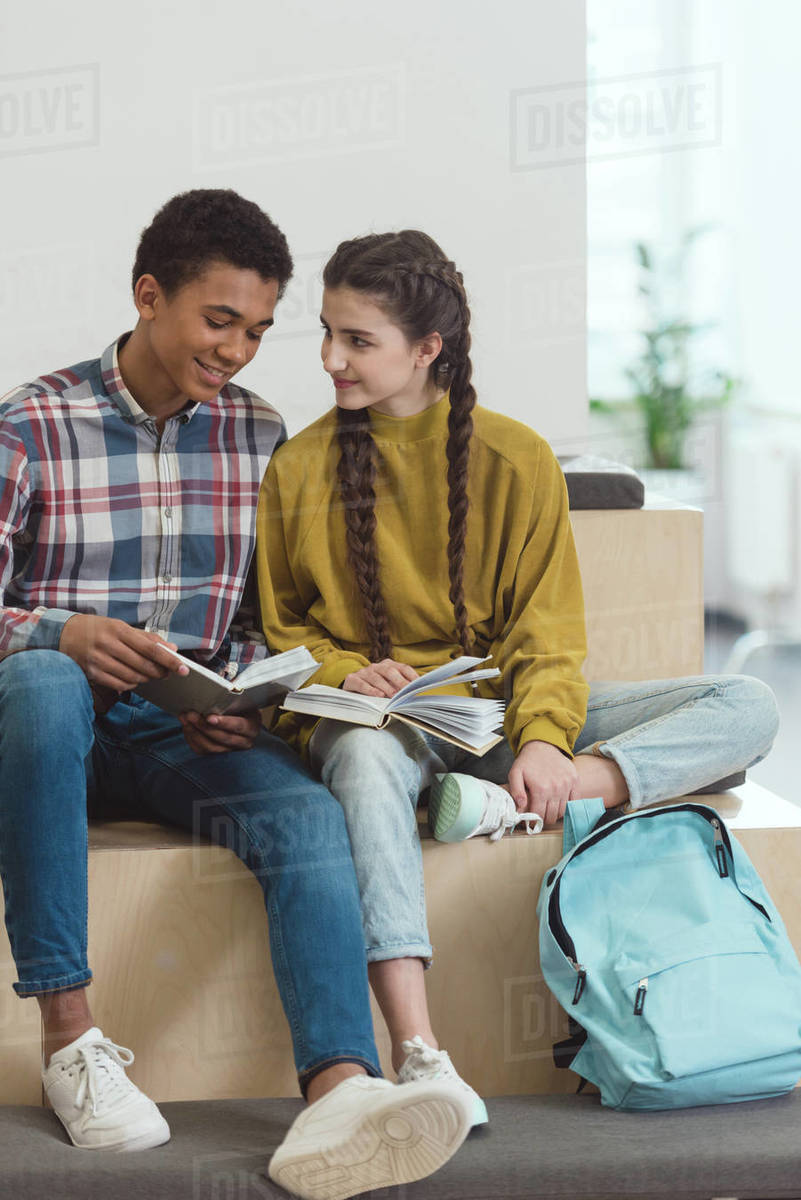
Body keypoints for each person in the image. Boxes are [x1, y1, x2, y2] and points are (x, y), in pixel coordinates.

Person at [0, 194, 474, 1199]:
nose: (240, 350)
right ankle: (71, 1041)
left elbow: (270, 616)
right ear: (149, 297)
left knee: (305, 811)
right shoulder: (31, 425)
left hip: (181, 733)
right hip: (48, 733)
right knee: (42, 683)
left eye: (258, 329)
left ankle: (341, 1088)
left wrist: (248, 692)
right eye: (221, 320)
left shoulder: (262, 438)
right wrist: (59, 632)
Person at [256, 228, 781, 1124]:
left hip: (501, 721)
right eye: (327, 333)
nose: (330, 358)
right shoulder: (297, 465)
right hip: (380, 725)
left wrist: (545, 742)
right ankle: (418, 1051)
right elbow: (284, 629)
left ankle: (565, 787)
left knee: (745, 703)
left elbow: (547, 631)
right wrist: (352, 673)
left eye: (357, 340)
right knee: (358, 756)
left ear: (428, 350)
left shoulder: (515, 457)